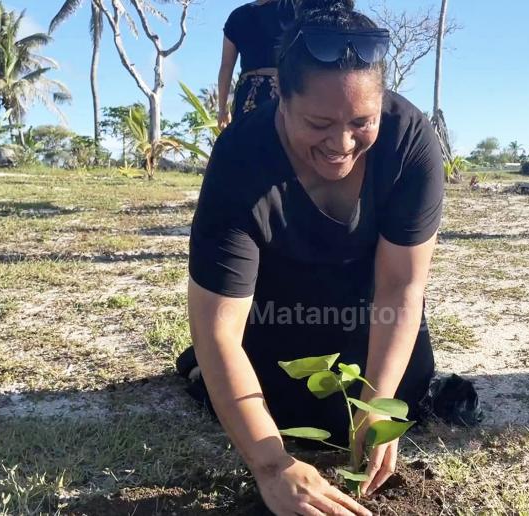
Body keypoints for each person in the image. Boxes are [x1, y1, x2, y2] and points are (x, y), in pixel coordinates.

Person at [180, 0, 444, 513]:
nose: (341, 144)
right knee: (275, 401)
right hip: (276, 322)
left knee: (401, 386)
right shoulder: (240, 160)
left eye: (361, 122)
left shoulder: (409, 143)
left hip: (373, 320)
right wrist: (271, 465)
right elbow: (217, 330)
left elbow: (401, 288)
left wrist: (377, 405)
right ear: (280, 96)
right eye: (319, 123)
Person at [217, 0, 294, 129]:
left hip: (255, 94)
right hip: (274, 93)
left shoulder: (237, 15)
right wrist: (222, 109)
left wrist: (222, 109)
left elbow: (226, 66)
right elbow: (226, 66)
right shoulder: (295, 9)